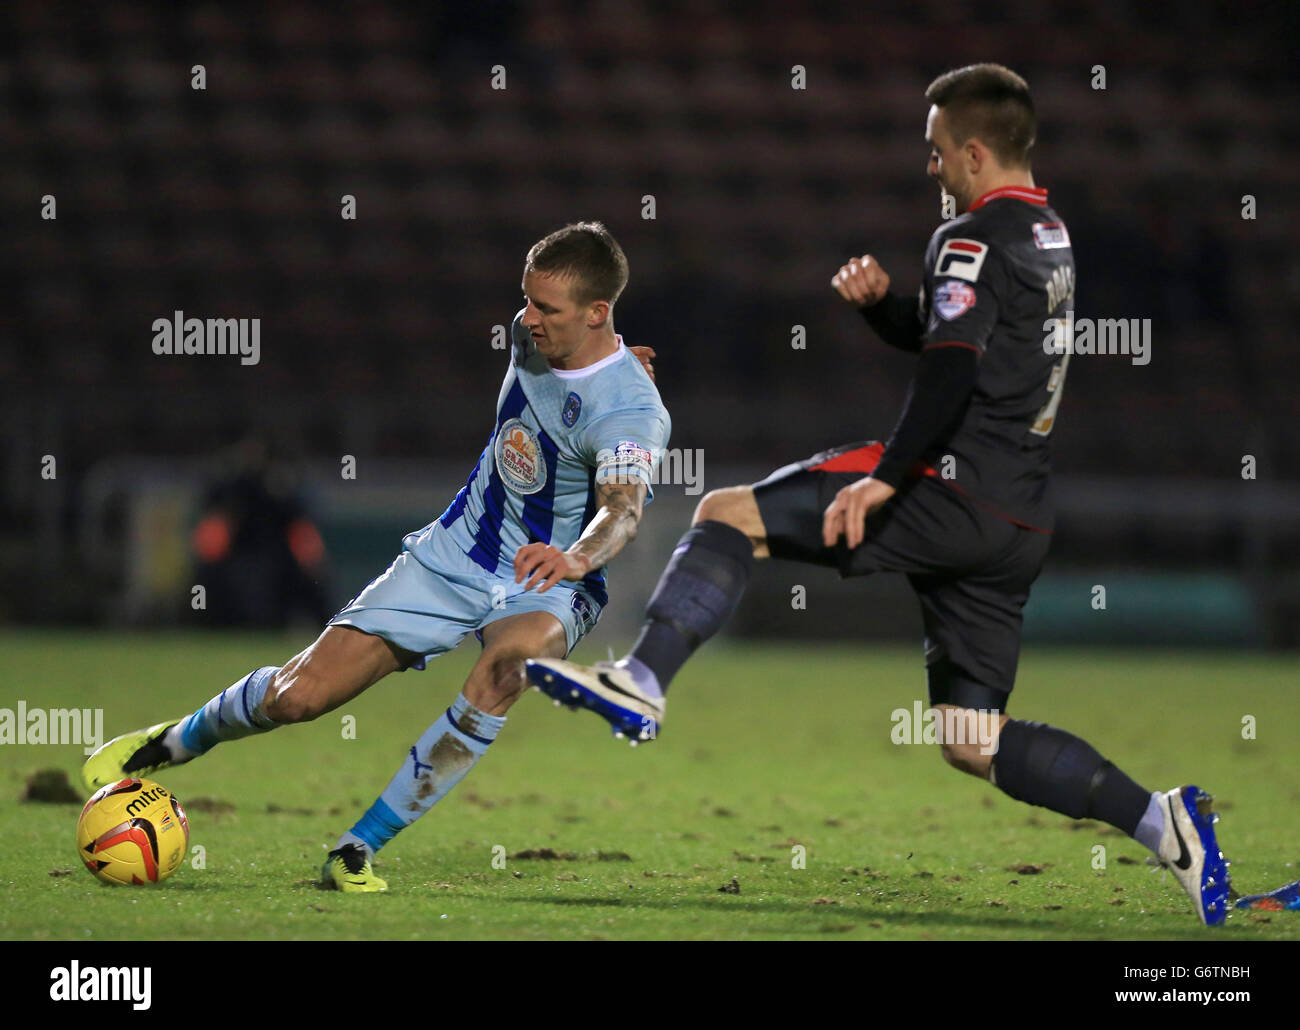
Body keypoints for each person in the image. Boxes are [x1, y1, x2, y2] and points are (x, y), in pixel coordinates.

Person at [525, 66, 1232, 925]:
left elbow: (952, 369)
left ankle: (642, 679)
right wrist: (888, 310)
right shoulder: (1050, 235)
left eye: (937, 152)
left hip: (946, 484)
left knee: (725, 514)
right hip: (1018, 514)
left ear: (973, 151)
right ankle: (1164, 823)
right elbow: (970, 335)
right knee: (973, 741)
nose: (930, 168)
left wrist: (884, 478)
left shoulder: (966, 238)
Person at [83, 221, 670, 893]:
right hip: (454, 552)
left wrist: (577, 557)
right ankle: (170, 742)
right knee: (298, 698)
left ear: (597, 312)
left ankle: (358, 848)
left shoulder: (632, 412)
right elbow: (582, 360)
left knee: (511, 666)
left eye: (548, 309)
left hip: (547, 578)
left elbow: (622, 509)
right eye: (527, 301)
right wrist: (612, 355)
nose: (528, 319)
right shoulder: (529, 336)